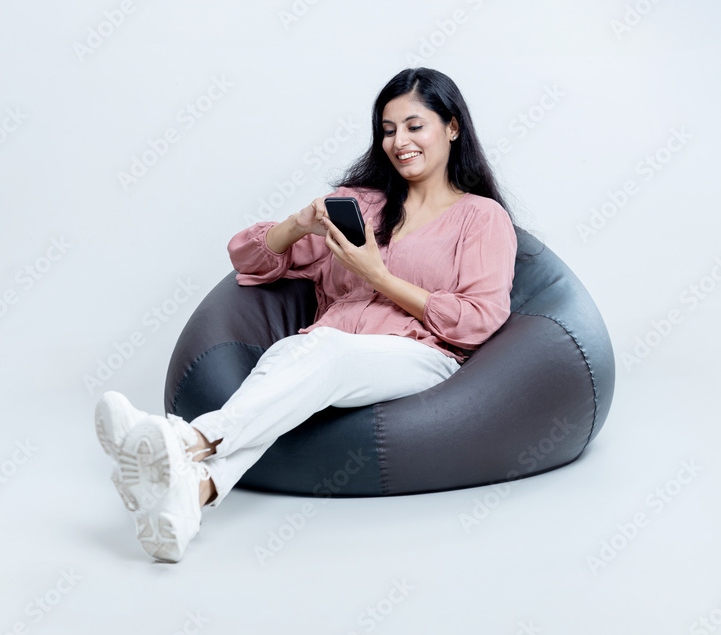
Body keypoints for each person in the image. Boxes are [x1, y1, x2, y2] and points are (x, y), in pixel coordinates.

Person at [94, 67, 519, 562]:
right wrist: (298, 223)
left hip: (421, 356)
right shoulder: (361, 205)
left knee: (323, 351)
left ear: (452, 127)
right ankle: (193, 494)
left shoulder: (482, 217)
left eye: (414, 125)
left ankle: (185, 438)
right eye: (387, 129)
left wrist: (377, 276)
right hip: (323, 350)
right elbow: (247, 261)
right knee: (293, 355)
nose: (399, 140)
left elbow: (480, 319)